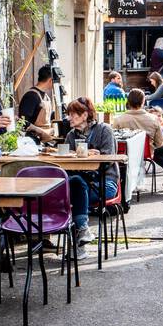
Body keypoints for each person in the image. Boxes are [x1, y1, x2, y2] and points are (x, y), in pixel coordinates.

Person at [65, 97, 120, 256]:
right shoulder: (70, 135)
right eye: (69, 114)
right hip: (81, 182)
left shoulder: (104, 130)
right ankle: (83, 232)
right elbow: (67, 161)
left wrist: (93, 157)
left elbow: (109, 158)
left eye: (73, 114)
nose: (69, 117)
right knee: (75, 183)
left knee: (75, 195)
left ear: (85, 115)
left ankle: (79, 247)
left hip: (104, 181)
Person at [18, 64, 57, 143]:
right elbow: (23, 122)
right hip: (32, 142)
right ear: (50, 80)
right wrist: (41, 132)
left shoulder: (46, 96)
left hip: (46, 140)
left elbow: (46, 116)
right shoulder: (31, 96)